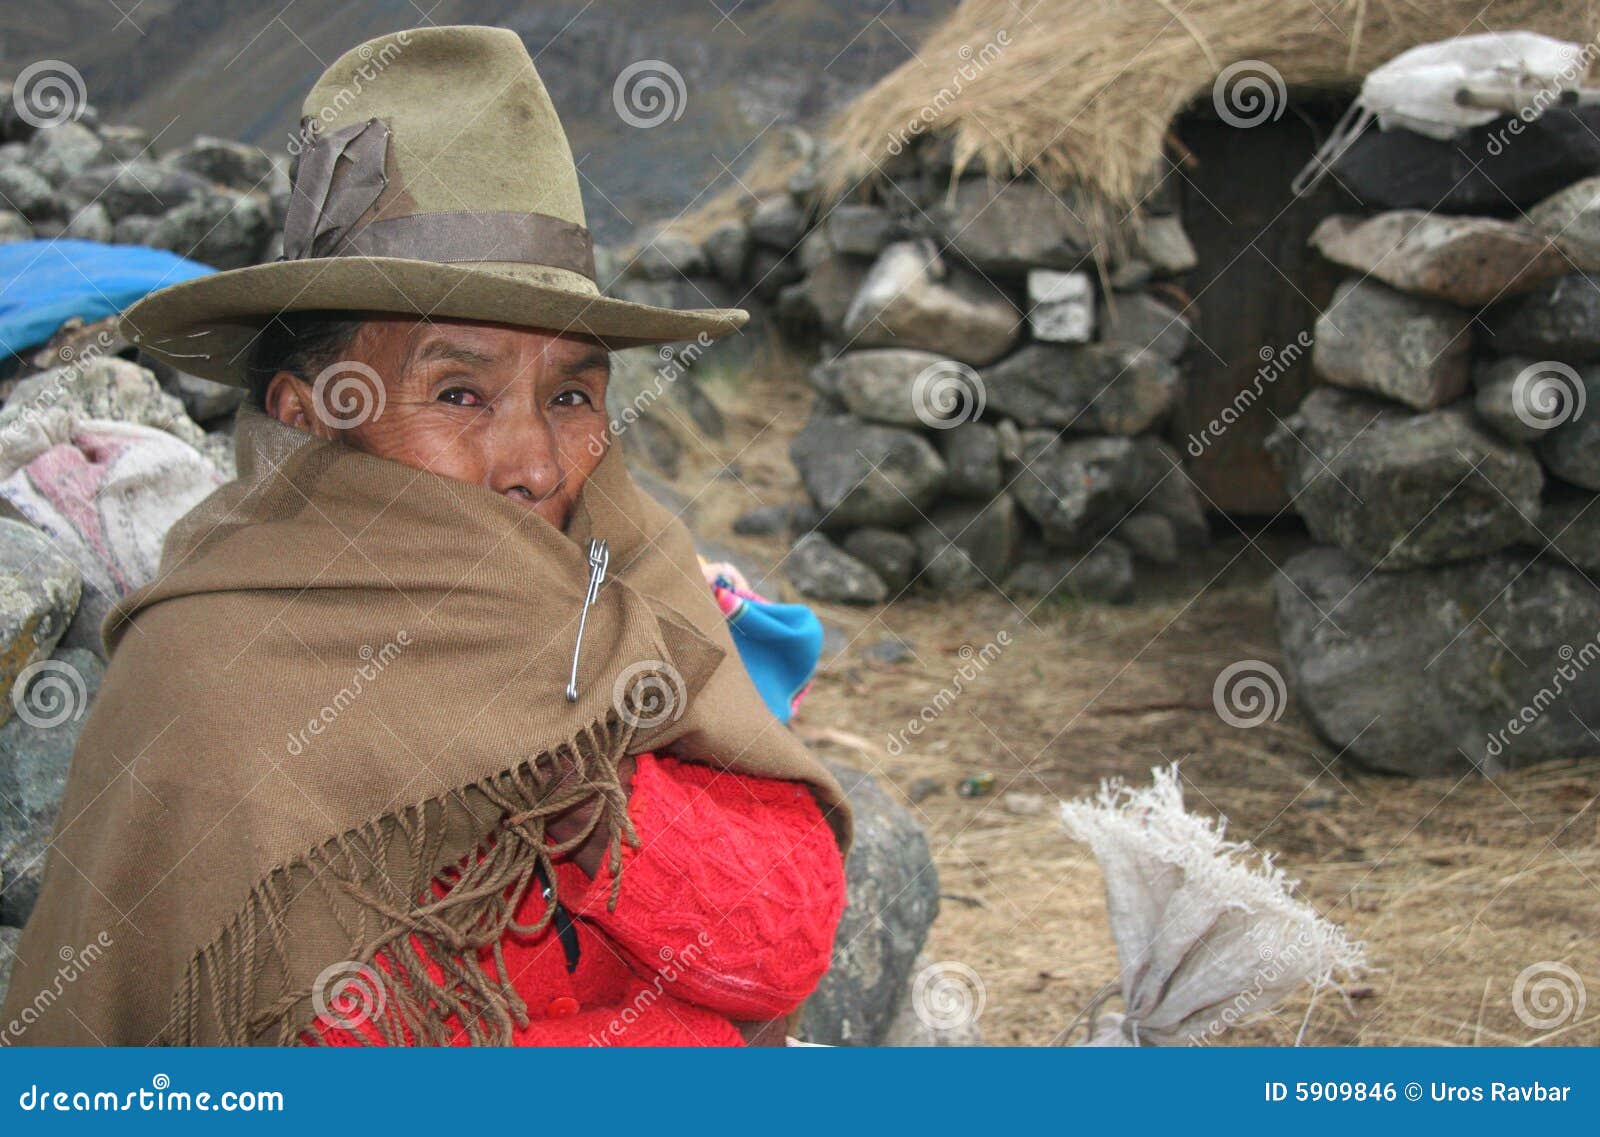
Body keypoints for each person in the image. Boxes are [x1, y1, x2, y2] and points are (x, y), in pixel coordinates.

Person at [1, 25, 850, 1047]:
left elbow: (788, 939)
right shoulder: (212, 676)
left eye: (572, 393)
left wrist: (573, 774)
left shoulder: (628, 585)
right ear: (313, 411)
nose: (534, 462)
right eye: (460, 391)